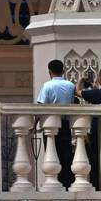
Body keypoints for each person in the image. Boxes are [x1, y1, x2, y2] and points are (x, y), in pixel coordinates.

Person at [35, 59, 75, 187]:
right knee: (66, 156)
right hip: (66, 124)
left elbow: (40, 107)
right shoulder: (70, 85)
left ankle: (54, 183)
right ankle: (66, 184)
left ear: (50, 72)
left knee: (52, 155)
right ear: (63, 71)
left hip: (51, 125)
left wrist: (34, 124)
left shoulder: (47, 86)